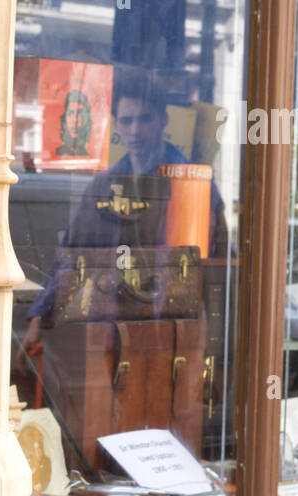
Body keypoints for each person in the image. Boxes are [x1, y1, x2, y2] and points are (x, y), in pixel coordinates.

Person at [19, 71, 227, 367]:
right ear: (117, 124)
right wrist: (39, 315)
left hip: (175, 332)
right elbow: (70, 254)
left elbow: (217, 265)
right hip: (110, 334)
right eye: (127, 121)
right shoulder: (103, 185)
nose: (135, 130)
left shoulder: (191, 181)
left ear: (163, 120)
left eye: (144, 119)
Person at [55, 89, 93, 157]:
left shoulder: (91, 155)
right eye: (70, 113)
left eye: (80, 113)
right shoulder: (55, 154)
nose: (75, 120)